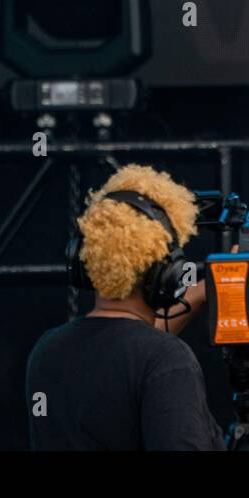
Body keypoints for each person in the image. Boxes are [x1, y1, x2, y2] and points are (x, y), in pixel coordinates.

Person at [26, 164, 223, 450]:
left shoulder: (46, 350)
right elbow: (142, 354)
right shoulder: (165, 359)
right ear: (165, 272)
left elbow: (126, 350)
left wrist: (204, 290)